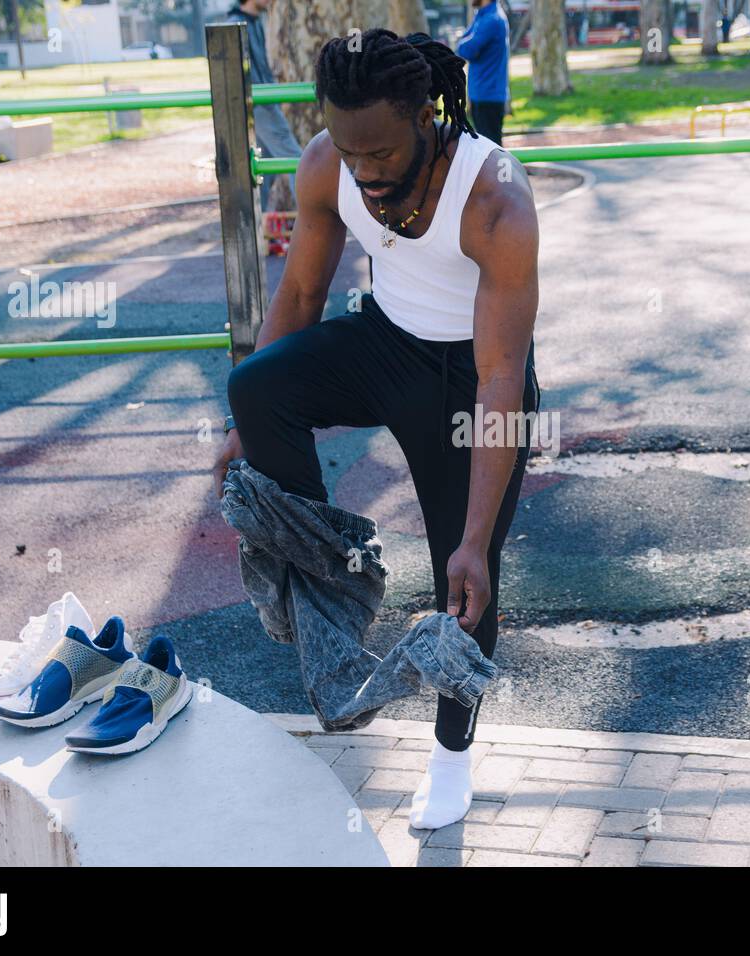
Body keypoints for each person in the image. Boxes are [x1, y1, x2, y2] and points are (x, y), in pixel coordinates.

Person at [212, 28, 541, 831]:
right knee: (256, 384)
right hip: (384, 341)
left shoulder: (494, 196)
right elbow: (297, 300)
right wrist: (244, 422)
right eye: (350, 152)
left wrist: (475, 533)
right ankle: (332, 587)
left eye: (384, 155)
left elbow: (502, 377)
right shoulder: (331, 161)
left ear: (429, 116)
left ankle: (452, 753)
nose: (365, 171)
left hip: (470, 383)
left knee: (463, 578)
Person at [226, 0, 302, 211]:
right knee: (296, 160)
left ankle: (256, 228)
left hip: (265, 102)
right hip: (260, 106)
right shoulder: (235, 24)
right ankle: (314, 218)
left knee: (263, 172)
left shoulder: (256, 21)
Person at [456, 0, 511, 144]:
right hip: (481, 93)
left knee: (490, 148)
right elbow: (464, 42)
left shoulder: (492, 20)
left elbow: (467, 50)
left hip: (489, 95)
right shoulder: (482, 16)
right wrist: (462, 42)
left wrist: (461, 42)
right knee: (484, 146)